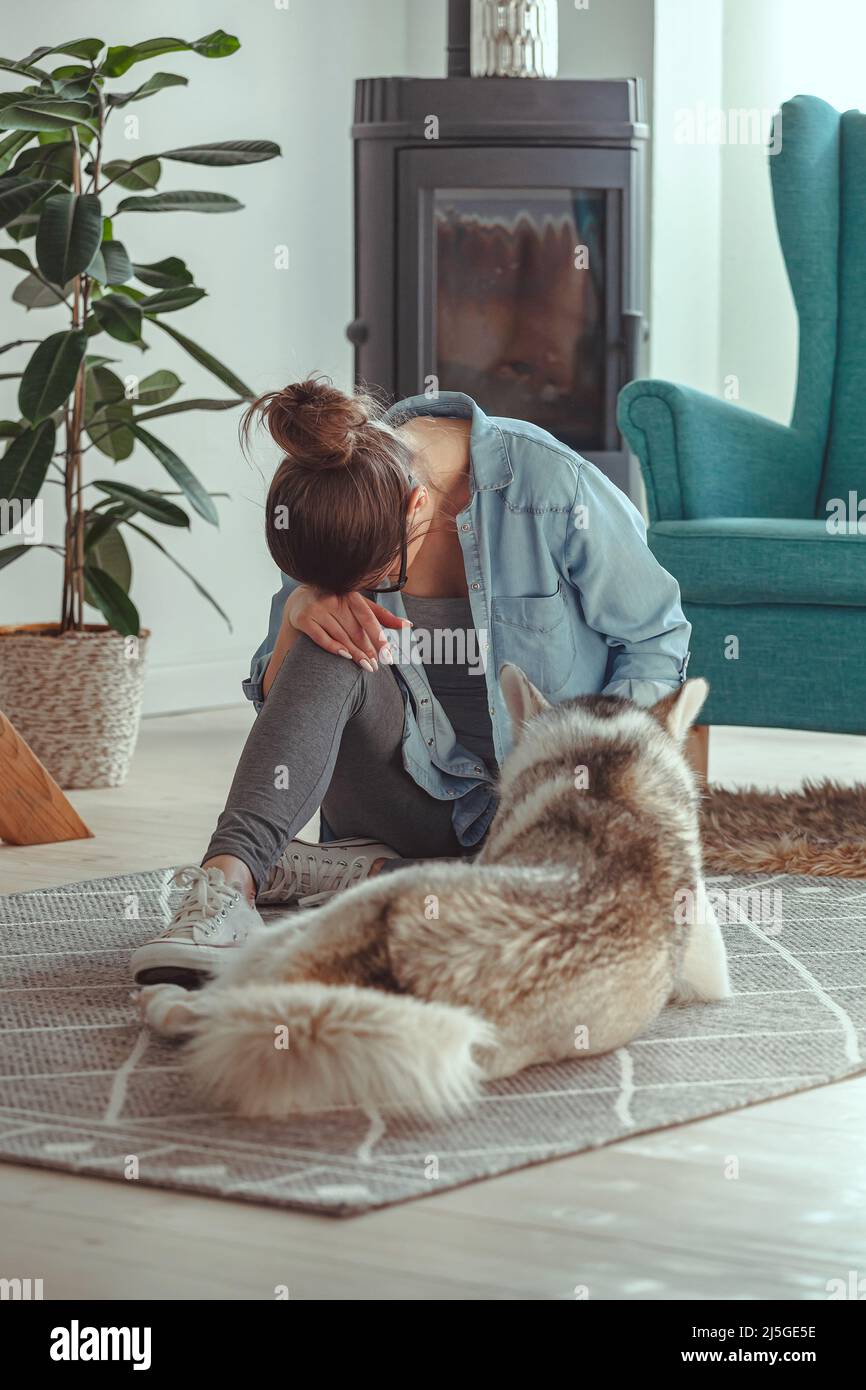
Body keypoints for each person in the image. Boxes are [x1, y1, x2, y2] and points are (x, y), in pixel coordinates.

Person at [131, 379, 691, 985]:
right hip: (400, 796)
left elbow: (655, 639)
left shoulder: (550, 487)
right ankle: (226, 886)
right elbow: (284, 707)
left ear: (416, 506)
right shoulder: (337, 493)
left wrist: (595, 769)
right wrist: (300, 615)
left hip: (540, 808)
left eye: (373, 575)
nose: (355, 590)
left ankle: (367, 877)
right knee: (330, 641)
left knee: (545, 908)